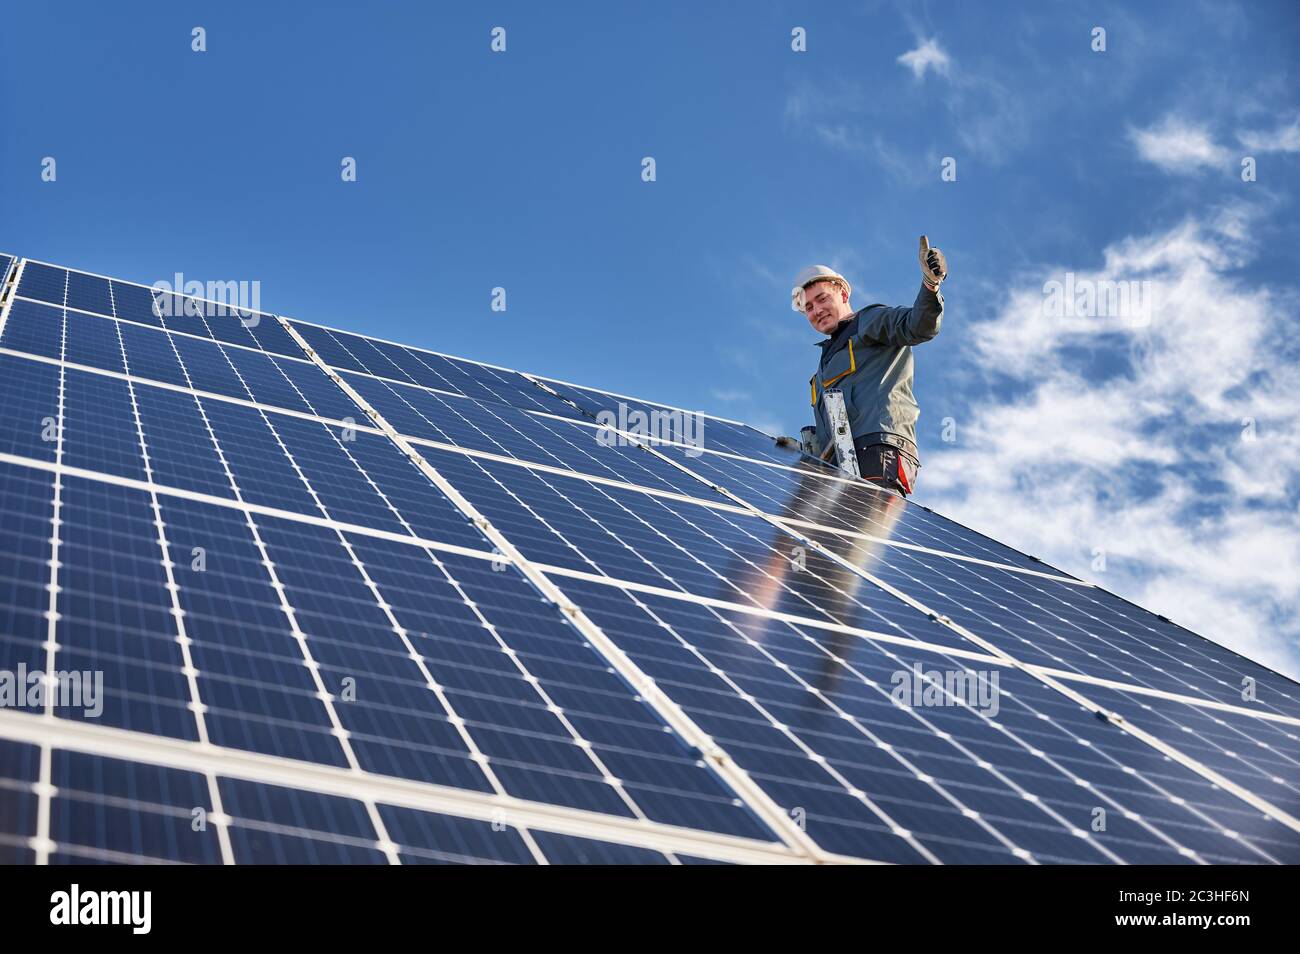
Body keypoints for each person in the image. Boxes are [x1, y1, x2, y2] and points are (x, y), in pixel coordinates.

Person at [787, 237, 948, 496]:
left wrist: (930, 285)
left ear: (843, 293)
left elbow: (919, 325)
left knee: (864, 531)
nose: (816, 310)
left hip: (877, 449)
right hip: (837, 468)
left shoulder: (870, 321)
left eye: (822, 298)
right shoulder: (821, 370)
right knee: (835, 536)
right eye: (808, 307)